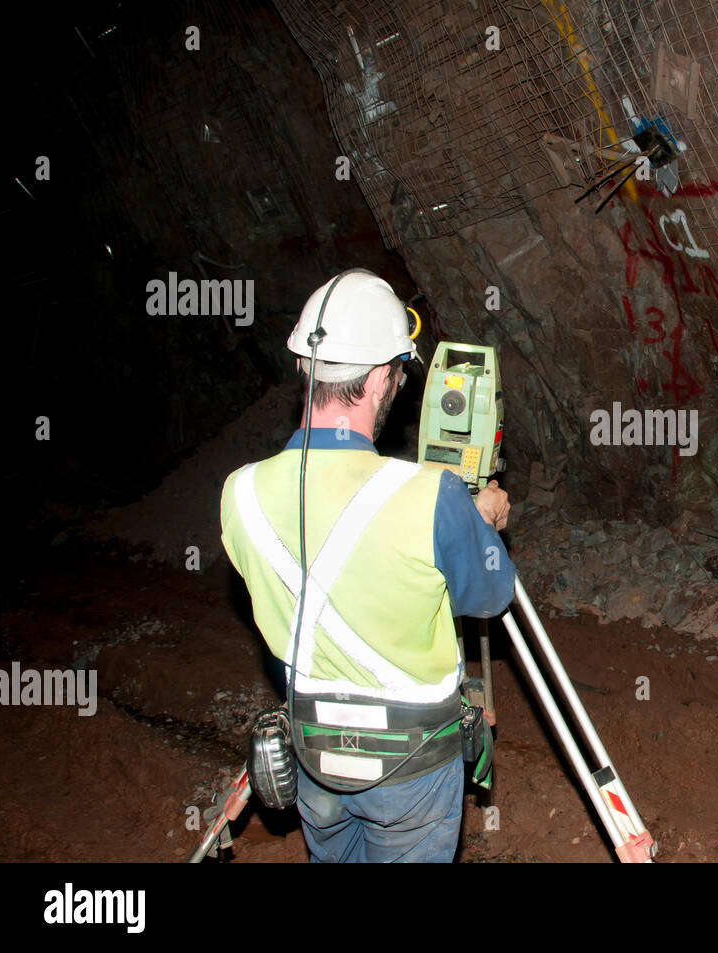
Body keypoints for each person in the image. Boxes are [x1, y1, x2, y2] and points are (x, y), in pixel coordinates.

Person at [220, 269, 514, 862]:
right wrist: (475, 520)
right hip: (412, 768)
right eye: (398, 375)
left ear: (304, 367)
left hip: (313, 759)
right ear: (382, 377)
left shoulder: (239, 493)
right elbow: (490, 597)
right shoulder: (430, 496)